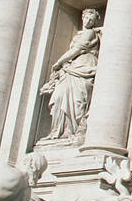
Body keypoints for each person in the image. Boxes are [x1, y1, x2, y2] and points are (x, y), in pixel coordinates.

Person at [41, 8, 102, 140]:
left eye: (91, 20)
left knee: (77, 99)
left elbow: (76, 50)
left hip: (85, 66)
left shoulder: (90, 33)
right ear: (82, 17)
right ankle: (57, 131)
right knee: (59, 96)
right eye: (86, 18)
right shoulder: (79, 35)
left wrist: (59, 62)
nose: (88, 21)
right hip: (72, 68)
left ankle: (71, 130)